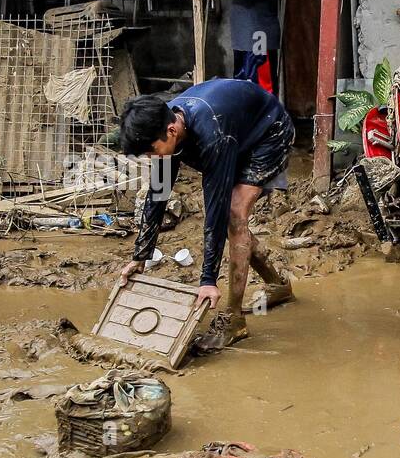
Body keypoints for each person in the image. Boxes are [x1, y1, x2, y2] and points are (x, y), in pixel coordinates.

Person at [118, 79, 296, 352]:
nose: (152, 158)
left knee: (234, 216)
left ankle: (233, 320)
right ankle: (277, 285)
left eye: (151, 151)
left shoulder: (211, 135)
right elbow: (159, 193)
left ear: (171, 130)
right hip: (237, 130)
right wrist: (140, 256)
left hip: (269, 133)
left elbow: (216, 209)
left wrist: (208, 282)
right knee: (229, 218)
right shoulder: (170, 127)